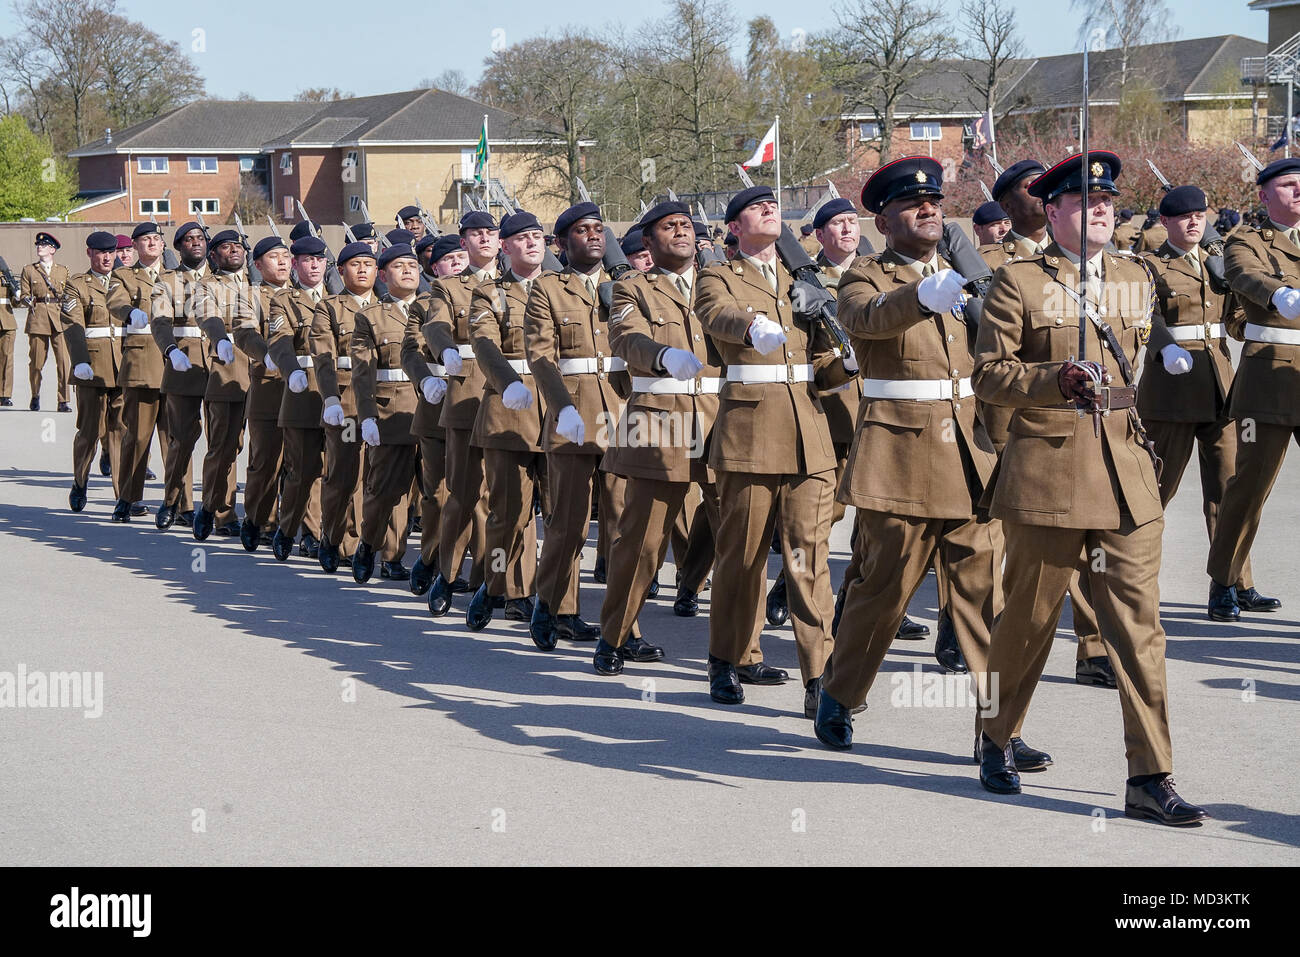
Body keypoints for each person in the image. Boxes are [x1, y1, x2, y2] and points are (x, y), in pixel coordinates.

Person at [973, 150, 1206, 826]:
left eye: (1106, 199)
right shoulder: (1018, 281)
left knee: (1140, 630)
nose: (1100, 207)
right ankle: (994, 734)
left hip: (1127, 472)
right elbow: (989, 375)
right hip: (1048, 468)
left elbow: (1140, 334)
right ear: (1053, 213)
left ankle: (1149, 775)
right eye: (1083, 201)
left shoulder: (1136, 273)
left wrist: (1166, 347)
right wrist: (1054, 381)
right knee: (1029, 620)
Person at [813, 158, 1024, 755]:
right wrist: (919, 296)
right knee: (883, 592)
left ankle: (998, 731)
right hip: (899, 460)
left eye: (934, 202)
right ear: (883, 219)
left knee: (982, 602)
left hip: (969, 456)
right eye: (912, 205)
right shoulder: (864, 278)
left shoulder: (969, 274)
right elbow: (863, 319)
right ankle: (840, 692)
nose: (929, 210)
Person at [694, 185, 857, 711]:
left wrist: (844, 360)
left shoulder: (801, 277)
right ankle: (727, 657)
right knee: (741, 558)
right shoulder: (719, 274)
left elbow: (822, 362)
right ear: (734, 228)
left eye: (772, 206)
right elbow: (715, 314)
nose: (769, 210)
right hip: (751, 433)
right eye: (755, 208)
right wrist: (752, 326)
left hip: (809, 434)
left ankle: (820, 679)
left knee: (810, 561)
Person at [985, 157, 1116, 689]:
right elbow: (992, 365)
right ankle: (968, 631)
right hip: (1011, 418)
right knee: (1016, 558)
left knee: (1094, 553)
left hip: (1094, 428)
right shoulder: (999, 262)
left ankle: (1093, 645)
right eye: (1023, 189)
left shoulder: (1116, 266)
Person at [1139, 185, 1278, 620]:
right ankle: (1133, 583)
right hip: (1171, 390)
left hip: (1221, 386)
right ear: (1165, 222)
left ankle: (1234, 583)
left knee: (1230, 490)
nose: (1194, 221)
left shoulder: (1219, 262)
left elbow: (1236, 318)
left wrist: (1262, 330)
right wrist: (1163, 348)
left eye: (1200, 214)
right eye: (1183, 216)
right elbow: (1144, 317)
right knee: (1154, 491)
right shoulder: (1148, 266)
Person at [594, 200, 721, 674]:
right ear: (648, 241)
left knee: (736, 536)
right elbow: (625, 338)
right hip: (658, 418)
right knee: (643, 540)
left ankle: (738, 653)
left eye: (687, 225)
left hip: (722, 417)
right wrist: (663, 355)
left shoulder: (720, 282)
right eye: (669, 227)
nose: (681, 232)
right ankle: (616, 636)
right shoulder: (630, 286)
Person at [524, 201, 628, 647]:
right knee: (567, 525)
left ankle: (624, 628)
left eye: (599, 229)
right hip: (573, 415)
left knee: (624, 525)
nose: (593, 236)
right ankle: (551, 607)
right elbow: (541, 356)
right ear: (564, 243)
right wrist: (561, 405)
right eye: (583, 230)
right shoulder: (549, 289)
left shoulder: (626, 285)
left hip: (623, 414)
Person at [1205, 156, 1300, 621]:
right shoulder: (1248, 239)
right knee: (1250, 486)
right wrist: (1277, 294)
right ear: (1264, 196)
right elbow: (1242, 273)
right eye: (1288, 184)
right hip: (1269, 381)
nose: (1299, 190)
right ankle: (1226, 581)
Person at [464, 211, 550, 630]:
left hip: (558, 410)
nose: (532, 243)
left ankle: (546, 599)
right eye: (522, 238)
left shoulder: (562, 289)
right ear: (505, 246)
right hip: (509, 410)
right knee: (510, 512)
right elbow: (484, 344)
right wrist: (507, 382)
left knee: (558, 514)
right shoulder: (489, 294)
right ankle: (497, 585)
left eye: (538, 236)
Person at [424, 211, 500, 613]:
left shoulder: (521, 283)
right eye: (476, 233)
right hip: (467, 390)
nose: (484, 238)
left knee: (502, 498)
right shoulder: (449, 287)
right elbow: (435, 326)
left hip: (513, 397)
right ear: (464, 240)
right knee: (463, 493)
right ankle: (447, 573)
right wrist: (446, 349)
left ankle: (493, 580)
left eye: (490, 232)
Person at [351, 243, 422, 583]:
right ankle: (369, 544)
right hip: (392, 412)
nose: (408, 270)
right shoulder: (370, 317)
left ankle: (430, 562)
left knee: (438, 494)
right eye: (398, 266)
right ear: (383, 275)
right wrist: (366, 416)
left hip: (435, 413)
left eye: (412, 264)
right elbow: (362, 371)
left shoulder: (435, 308)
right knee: (386, 491)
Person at [263, 237, 332, 561]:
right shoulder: (284, 301)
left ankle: (318, 534)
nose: (315, 265)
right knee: (302, 470)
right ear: (295, 264)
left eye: (320, 259)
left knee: (330, 470)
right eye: (307, 260)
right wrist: (290, 371)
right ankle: (289, 527)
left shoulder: (339, 299)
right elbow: (278, 342)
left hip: (336, 395)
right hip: (302, 393)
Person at [314, 242, 378, 573]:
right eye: (355, 264)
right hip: (346, 400)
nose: (363, 269)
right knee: (342, 475)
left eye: (368, 263)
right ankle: (331, 535)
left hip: (379, 401)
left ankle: (356, 542)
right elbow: (323, 357)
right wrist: (330, 398)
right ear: (341, 271)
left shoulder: (386, 307)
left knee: (371, 478)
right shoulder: (330, 308)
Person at [232, 235, 294, 552]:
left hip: (302, 390)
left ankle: (297, 527)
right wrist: (264, 353)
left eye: (285, 255)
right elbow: (243, 332)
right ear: (258, 264)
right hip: (268, 386)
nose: (282, 261)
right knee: (265, 461)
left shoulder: (307, 296)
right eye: (273, 257)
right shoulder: (251, 296)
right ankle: (259, 520)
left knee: (301, 464)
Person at [190, 229, 253, 540]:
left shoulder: (261, 283)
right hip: (229, 373)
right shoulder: (206, 287)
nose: (234, 251)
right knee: (225, 448)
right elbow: (208, 316)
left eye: (238, 246)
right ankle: (215, 509)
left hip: (271, 377)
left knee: (273, 453)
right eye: (225, 248)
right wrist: (219, 339)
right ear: (213, 256)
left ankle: (265, 520)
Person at [60, 231, 126, 512]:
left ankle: (123, 496)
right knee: (89, 430)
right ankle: (80, 481)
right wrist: (80, 361)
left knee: (121, 430)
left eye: (111, 251)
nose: (107, 257)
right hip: (93, 369)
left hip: (124, 367)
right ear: (90, 253)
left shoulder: (125, 282)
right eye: (101, 252)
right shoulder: (78, 285)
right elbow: (73, 325)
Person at [109, 222, 169, 521]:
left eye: (157, 239)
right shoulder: (123, 275)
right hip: (143, 363)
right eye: (146, 239)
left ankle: (178, 502)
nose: (152, 243)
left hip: (176, 365)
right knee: (137, 436)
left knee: (176, 439)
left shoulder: (177, 275)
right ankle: (128, 498)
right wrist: (130, 312)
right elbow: (116, 301)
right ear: (134, 246)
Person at [151, 223, 208, 530]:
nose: (196, 243)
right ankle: (174, 501)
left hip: (219, 367)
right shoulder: (167, 281)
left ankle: (219, 510)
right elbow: (159, 322)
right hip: (183, 363)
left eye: (200, 238)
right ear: (179, 247)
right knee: (182, 439)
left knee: (225, 444)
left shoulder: (224, 278)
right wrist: (171, 350)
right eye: (189, 239)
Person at [21, 232, 72, 413]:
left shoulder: (63, 270)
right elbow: (24, 294)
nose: (39, 247)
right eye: (38, 245)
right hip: (38, 318)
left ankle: (63, 400)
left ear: (52, 249)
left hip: (58, 318)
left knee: (64, 362)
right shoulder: (29, 270)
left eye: (43, 245)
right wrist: (26, 300)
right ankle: (35, 395)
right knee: (36, 363)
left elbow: (67, 294)